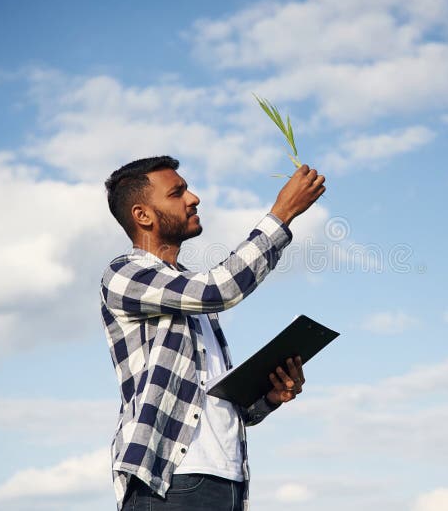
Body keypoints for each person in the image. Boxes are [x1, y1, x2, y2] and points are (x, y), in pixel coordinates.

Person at [100, 155, 326, 511]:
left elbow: (227, 408)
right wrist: (281, 215)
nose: (194, 198)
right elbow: (219, 289)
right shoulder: (125, 274)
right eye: (177, 193)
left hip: (229, 481)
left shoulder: (189, 294)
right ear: (142, 215)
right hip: (170, 481)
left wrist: (268, 396)